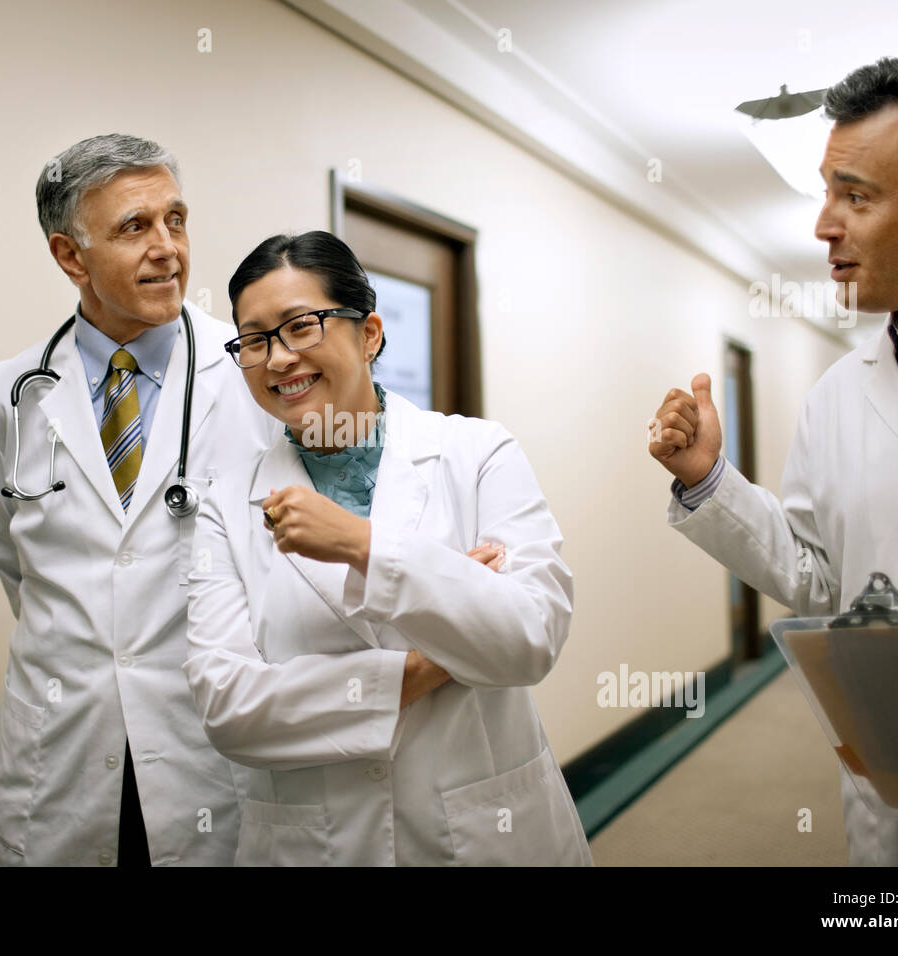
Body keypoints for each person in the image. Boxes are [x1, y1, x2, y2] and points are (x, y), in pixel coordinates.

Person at [648, 52, 898, 865]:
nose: (822, 226)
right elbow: (821, 580)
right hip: (893, 809)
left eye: (856, 196)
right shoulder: (842, 393)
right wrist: (709, 479)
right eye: (824, 192)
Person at [183, 231, 592, 866]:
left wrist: (363, 545)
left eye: (301, 326)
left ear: (369, 333)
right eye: (255, 339)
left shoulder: (477, 454)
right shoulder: (225, 502)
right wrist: (429, 665)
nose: (279, 359)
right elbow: (231, 710)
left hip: (484, 832)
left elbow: (529, 639)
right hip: (314, 844)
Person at [0, 134, 273, 865]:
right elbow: (17, 566)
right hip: (63, 757)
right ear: (70, 257)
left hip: (208, 754)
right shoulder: (7, 400)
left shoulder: (255, 379)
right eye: (135, 228)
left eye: (177, 219)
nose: (168, 249)